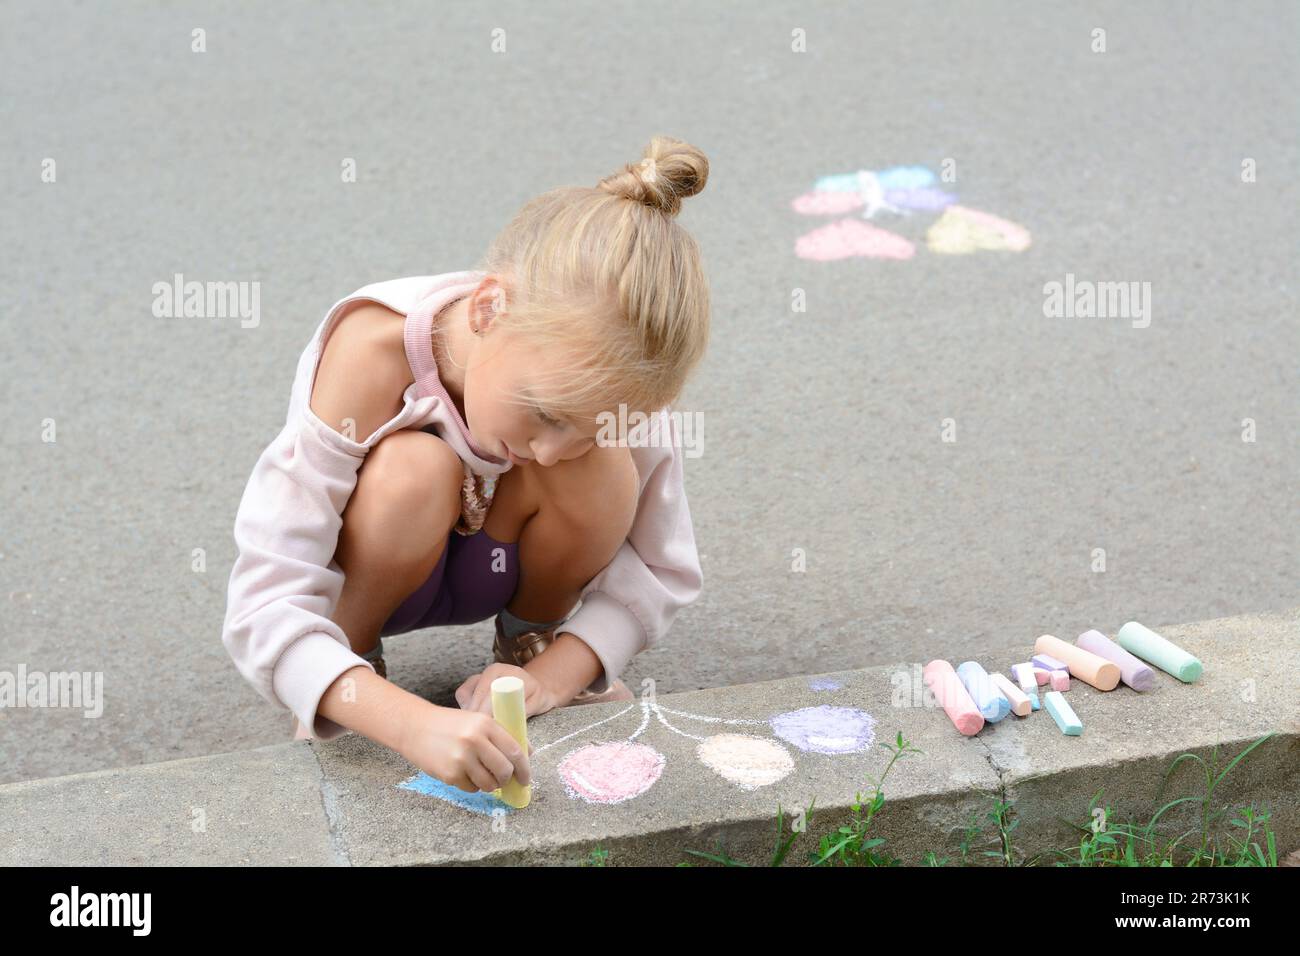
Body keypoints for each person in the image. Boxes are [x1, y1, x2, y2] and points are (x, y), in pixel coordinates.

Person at [222, 136, 710, 796]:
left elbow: (660, 568)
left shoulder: (615, 374)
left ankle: (527, 642)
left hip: (506, 563)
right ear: (486, 308)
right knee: (412, 469)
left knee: (602, 471)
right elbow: (263, 602)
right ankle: (353, 663)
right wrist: (405, 724)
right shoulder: (371, 350)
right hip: (383, 568)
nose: (548, 450)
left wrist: (553, 676)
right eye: (542, 413)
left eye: (584, 430)